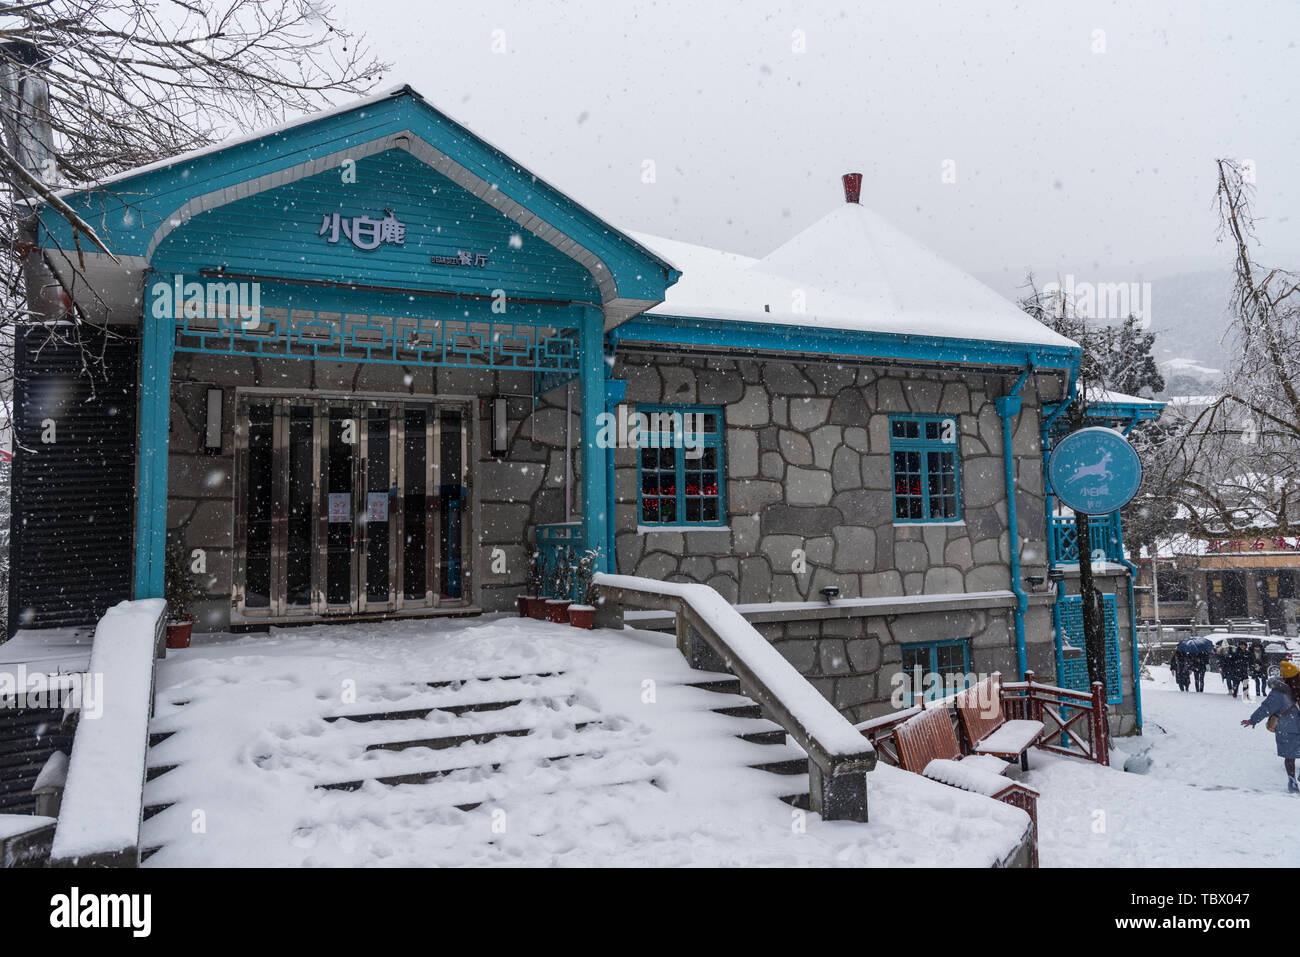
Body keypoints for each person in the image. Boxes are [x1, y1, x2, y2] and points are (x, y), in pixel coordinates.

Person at [1242, 660, 1300, 792]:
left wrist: (1253, 720)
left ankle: (1292, 780)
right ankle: (1293, 780)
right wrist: (1253, 720)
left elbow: (1266, 708)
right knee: (1291, 755)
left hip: (1288, 728)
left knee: (1290, 757)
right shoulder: (1286, 691)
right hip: (1291, 728)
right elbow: (1266, 708)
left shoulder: (1282, 692)